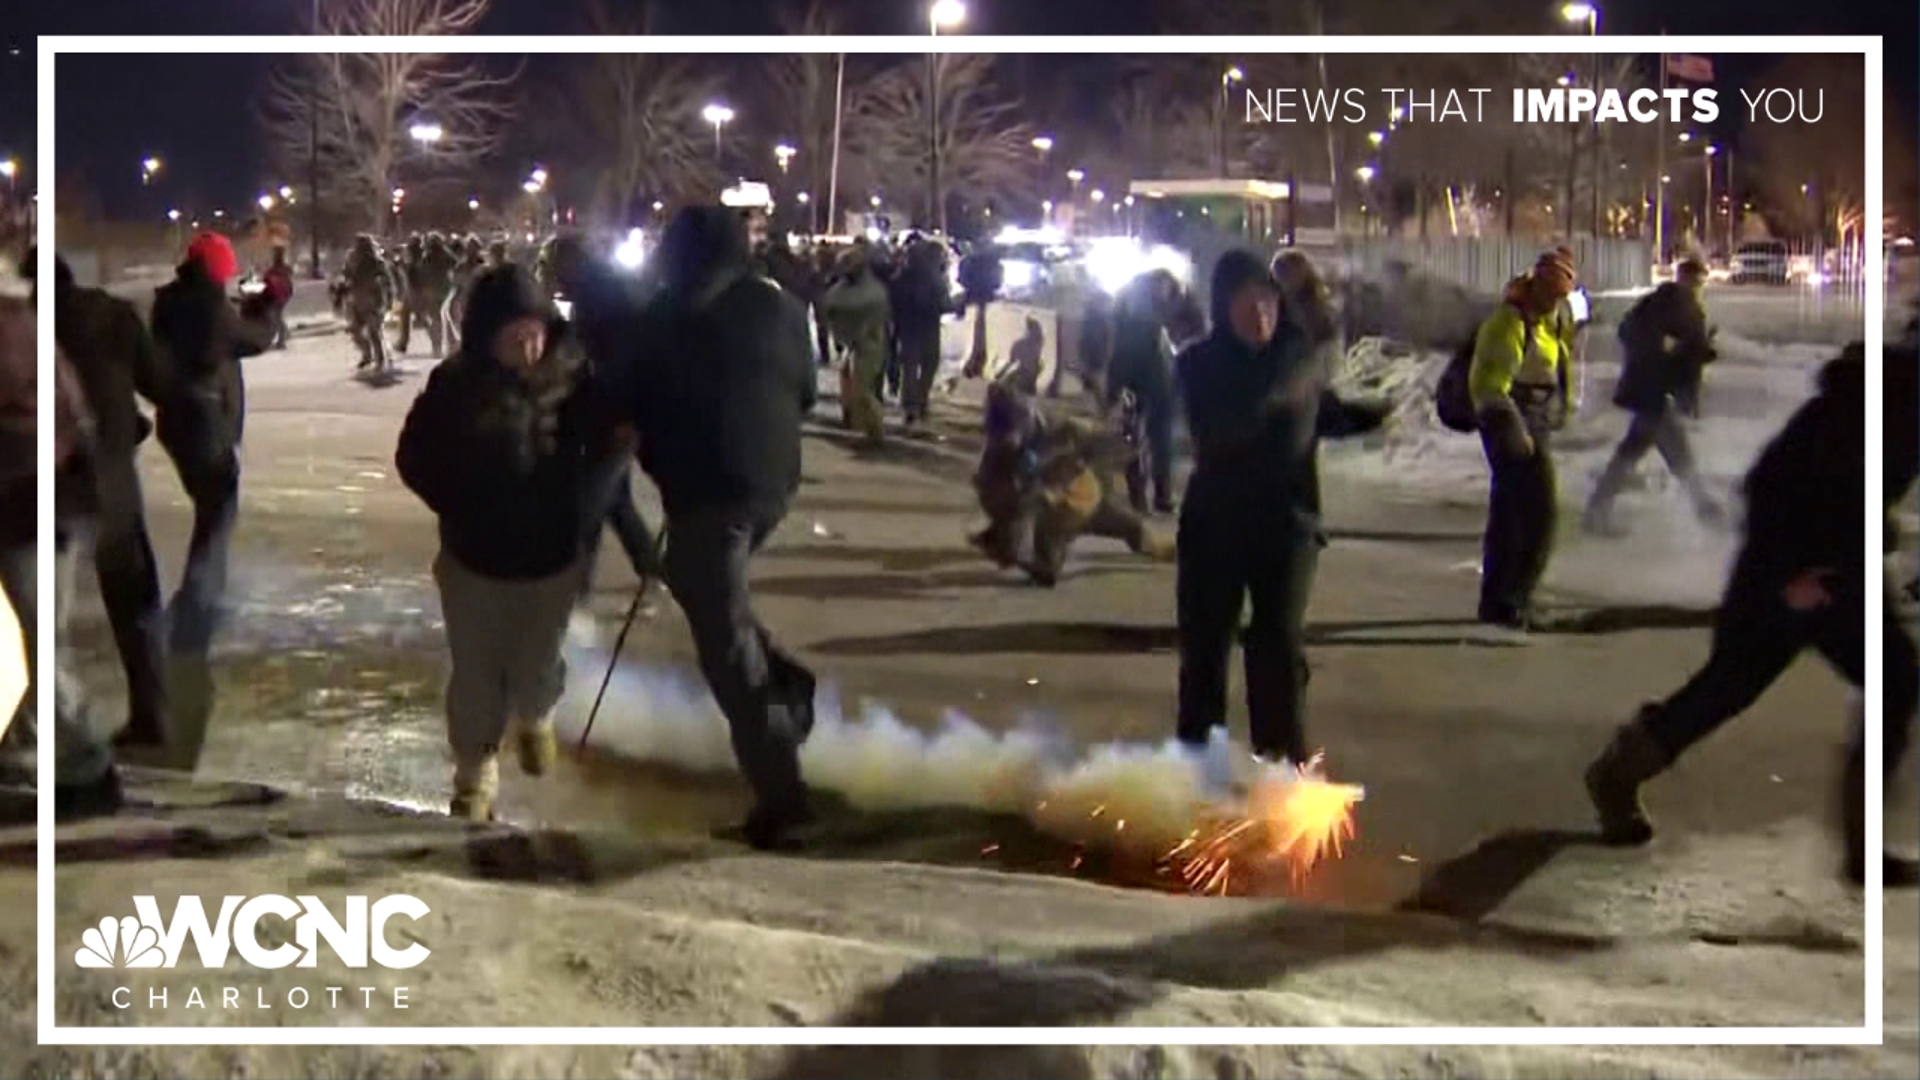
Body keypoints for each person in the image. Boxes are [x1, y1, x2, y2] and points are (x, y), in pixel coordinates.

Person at [1584, 341, 1919, 888]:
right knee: (1883, 679)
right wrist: (1814, 563)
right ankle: (1862, 849)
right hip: (1801, 568)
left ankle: (1619, 772)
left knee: (1736, 684)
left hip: (1811, 565)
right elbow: (1780, 486)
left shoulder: (1883, 395)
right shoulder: (1881, 401)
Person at [395, 265, 627, 821]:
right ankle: (474, 780)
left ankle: (537, 715)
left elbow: (610, 456)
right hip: (472, 561)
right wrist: (456, 499)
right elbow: (413, 457)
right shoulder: (455, 385)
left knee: (537, 666)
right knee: (475, 677)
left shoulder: (575, 381)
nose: (527, 346)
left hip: (552, 561)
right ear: (486, 335)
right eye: (513, 336)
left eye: (534, 333)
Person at [629, 206, 819, 850]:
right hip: (771, 483)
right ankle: (785, 687)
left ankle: (783, 794)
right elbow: (806, 390)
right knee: (703, 589)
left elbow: (637, 396)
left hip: (711, 489)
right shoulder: (782, 305)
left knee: (725, 644)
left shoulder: (668, 315)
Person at [1172, 250, 1388, 770]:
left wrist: (1373, 415)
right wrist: (1284, 391)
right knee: (1206, 649)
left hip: (1287, 523)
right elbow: (1220, 433)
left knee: (1279, 645)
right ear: (1223, 307)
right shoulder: (1198, 364)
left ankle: (1280, 767)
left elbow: (1317, 414)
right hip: (1216, 524)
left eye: (1268, 303)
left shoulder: (1296, 357)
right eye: (1247, 304)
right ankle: (1198, 769)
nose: (1260, 315)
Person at [0, 258, 121, 818]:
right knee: (36, 636)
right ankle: (23, 749)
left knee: (41, 642)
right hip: (47, 503)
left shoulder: (9, 333)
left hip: (29, 506)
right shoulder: (23, 324)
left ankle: (85, 767)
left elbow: (31, 423)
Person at [42, 251, 173, 750]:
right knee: (133, 603)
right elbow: (159, 383)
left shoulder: (22, 330)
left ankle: (45, 732)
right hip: (112, 479)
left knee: (35, 612)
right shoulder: (114, 317)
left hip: (44, 486)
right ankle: (151, 714)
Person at [149, 232, 275, 744]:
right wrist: (270, 306)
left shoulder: (171, 301)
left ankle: (200, 594)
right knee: (219, 510)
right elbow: (254, 338)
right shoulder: (208, 308)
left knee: (213, 506)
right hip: (204, 423)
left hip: (181, 421)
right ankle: (197, 606)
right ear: (217, 269)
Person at [547, 233, 661, 601]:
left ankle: (576, 590)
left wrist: (626, 415)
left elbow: (622, 360)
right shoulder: (599, 289)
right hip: (608, 413)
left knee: (588, 503)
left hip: (615, 416)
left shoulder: (602, 294)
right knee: (615, 501)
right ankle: (651, 570)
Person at [1468, 249, 1577, 630]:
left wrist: (1560, 405)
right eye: (1550, 292)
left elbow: (1558, 362)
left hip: (1534, 417)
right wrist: (1514, 428)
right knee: (1537, 513)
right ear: (1537, 285)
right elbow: (1489, 384)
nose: (1554, 301)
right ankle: (1512, 598)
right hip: (1506, 415)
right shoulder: (1510, 322)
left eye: (1561, 295)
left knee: (1510, 511)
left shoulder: (1553, 320)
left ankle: (1501, 600)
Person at [970, 380, 1171, 587]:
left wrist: (1120, 442)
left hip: (1081, 502)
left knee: (1130, 527)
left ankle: (1026, 551)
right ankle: (1009, 543)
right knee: (1042, 552)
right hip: (1055, 510)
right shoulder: (999, 454)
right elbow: (1000, 494)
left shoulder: (1062, 432)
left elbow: (1104, 446)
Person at [1584, 258, 1722, 535]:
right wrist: (1686, 354)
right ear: (1686, 279)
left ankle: (1597, 511)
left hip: (1653, 392)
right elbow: (1676, 351)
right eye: (1695, 282)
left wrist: (1690, 353)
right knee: (1669, 456)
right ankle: (1707, 512)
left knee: (1644, 453)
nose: (1697, 288)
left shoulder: (1664, 304)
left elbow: (1651, 340)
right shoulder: (1675, 305)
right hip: (1655, 393)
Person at [1107, 271, 1179, 514]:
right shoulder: (1146, 320)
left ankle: (1150, 495)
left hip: (1148, 383)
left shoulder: (1131, 310)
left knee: (1145, 440)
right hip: (1146, 382)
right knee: (1144, 440)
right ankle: (1152, 495)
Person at [821, 244, 891, 447]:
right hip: (853, 344)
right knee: (850, 386)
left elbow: (869, 311)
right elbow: (831, 302)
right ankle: (859, 423)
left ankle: (876, 431)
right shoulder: (845, 287)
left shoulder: (872, 290)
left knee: (863, 390)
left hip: (868, 344)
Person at [891, 238, 952, 426]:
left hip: (908, 327)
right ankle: (921, 399)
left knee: (910, 367)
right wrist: (956, 304)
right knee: (929, 365)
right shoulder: (935, 279)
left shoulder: (901, 277)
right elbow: (943, 304)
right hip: (928, 327)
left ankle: (910, 404)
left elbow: (894, 302)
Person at [338, 235, 395, 375]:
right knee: (357, 330)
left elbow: (386, 280)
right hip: (358, 299)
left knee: (373, 332)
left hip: (372, 300)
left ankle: (379, 359)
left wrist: (388, 297)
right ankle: (368, 354)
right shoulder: (352, 260)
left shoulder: (376, 262)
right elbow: (346, 277)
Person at [398, 232, 457, 359]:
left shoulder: (428, 257)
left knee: (435, 318)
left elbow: (421, 272)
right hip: (443, 288)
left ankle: (438, 347)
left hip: (433, 289)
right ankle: (452, 343)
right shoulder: (444, 254)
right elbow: (454, 264)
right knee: (441, 315)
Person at [261, 247, 295, 350]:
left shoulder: (277, 268)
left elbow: (268, 278)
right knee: (276, 316)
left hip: (278, 295)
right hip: (281, 294)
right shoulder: (283, 268)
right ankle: (284, 335)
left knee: (275, 316)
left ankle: (282, 339)